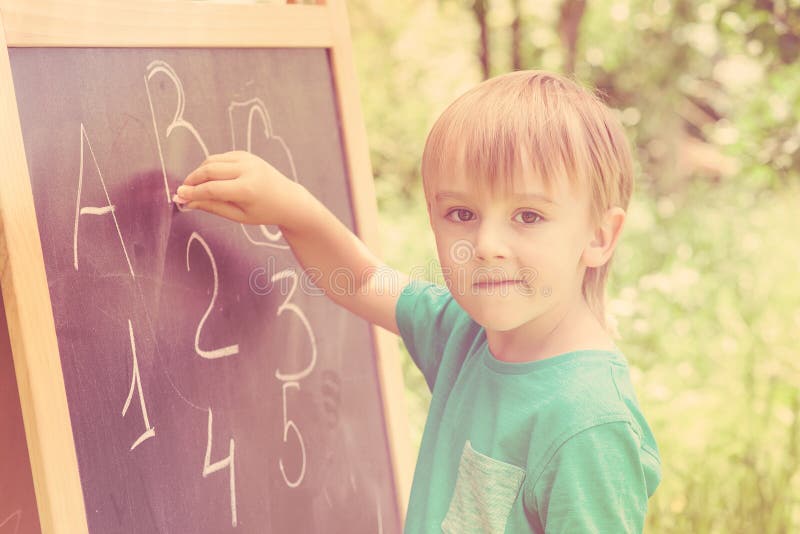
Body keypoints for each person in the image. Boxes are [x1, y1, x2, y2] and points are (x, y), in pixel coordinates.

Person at [174, 70, 661, 533]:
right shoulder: (466, 333)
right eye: (462, 212)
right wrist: (291, 209)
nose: (486, 243)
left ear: (599, 236)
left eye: (528, 215)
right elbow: (362, 281)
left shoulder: (586, 424)